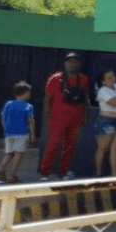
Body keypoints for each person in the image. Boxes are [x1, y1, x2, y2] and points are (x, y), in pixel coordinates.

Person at [39, 52, 90, 180]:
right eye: (70, 61)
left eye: (75, 61)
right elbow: (47, 99)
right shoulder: (56, 78)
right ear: (65, 63)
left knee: (70, 145)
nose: (73, 64)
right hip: (57, 118)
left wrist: (86, 115)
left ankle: (63, 172)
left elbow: (85, 99)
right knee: (53, 145)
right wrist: (46, 118)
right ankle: (44, 173)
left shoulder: (83, 79)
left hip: (76, 117)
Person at [0, 83, 36, 183]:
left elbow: (3, 118)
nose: (30, 95)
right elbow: (31, 121)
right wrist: (32, 135)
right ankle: (12, 174)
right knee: (18, 153)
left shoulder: (8, 104)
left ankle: (1, 168)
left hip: (9, 133)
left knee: (9, 153)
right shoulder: (28, 106)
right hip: (22, 133)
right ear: (25, 93)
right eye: (29, 93)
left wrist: (6, 129)